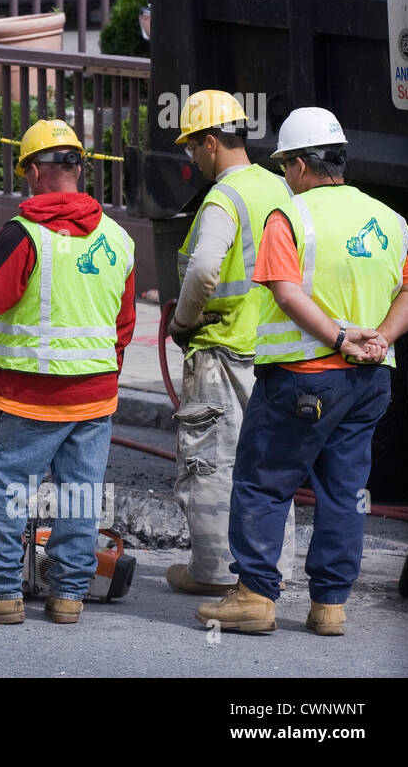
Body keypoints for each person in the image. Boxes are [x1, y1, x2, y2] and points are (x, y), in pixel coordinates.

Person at [196, 107, 408, 635]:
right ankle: (329, 606)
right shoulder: (391, 220)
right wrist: (380, 336)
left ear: (298, 166)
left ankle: (253, 595)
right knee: (344, 489)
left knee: (264, 482)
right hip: (370, 380)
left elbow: (286, 292)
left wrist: (338, 337)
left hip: (303, 378)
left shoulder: (290, 218)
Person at [0, 119, 136, 624]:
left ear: (34, 171)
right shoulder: (119, 239)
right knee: (81, 495)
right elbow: (124, 325)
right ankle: (69, 597)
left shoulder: (27, 234)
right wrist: (103, 375)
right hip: (95, 398)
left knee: (7, 491)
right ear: (78, 169)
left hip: (31, 397)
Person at [165, 89, 295, 595]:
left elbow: (203, 268)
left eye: (192, 147)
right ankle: (272, 569)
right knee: (268, 465)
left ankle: (214, 573)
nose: (191, 159)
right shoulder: (280, 188)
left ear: (212, 142)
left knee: (211, 463)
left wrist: (181, 321)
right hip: (275, 349)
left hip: (221, 347)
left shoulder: (225, 197)